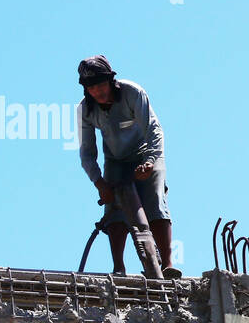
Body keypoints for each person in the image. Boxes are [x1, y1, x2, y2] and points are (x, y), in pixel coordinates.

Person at [76, 55, 179, 279]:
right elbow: (87, 152)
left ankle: (168, 264)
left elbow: (154, 130)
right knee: (115, 209)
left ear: (111, 81)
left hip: (146, 153)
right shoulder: (85, 110)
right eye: (91, 88)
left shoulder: (133, 93)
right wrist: (99, 182)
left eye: (101, 85)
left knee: (154, 200)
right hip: (116, 160)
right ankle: (119, 267)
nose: (98, 92)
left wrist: (150, 162)